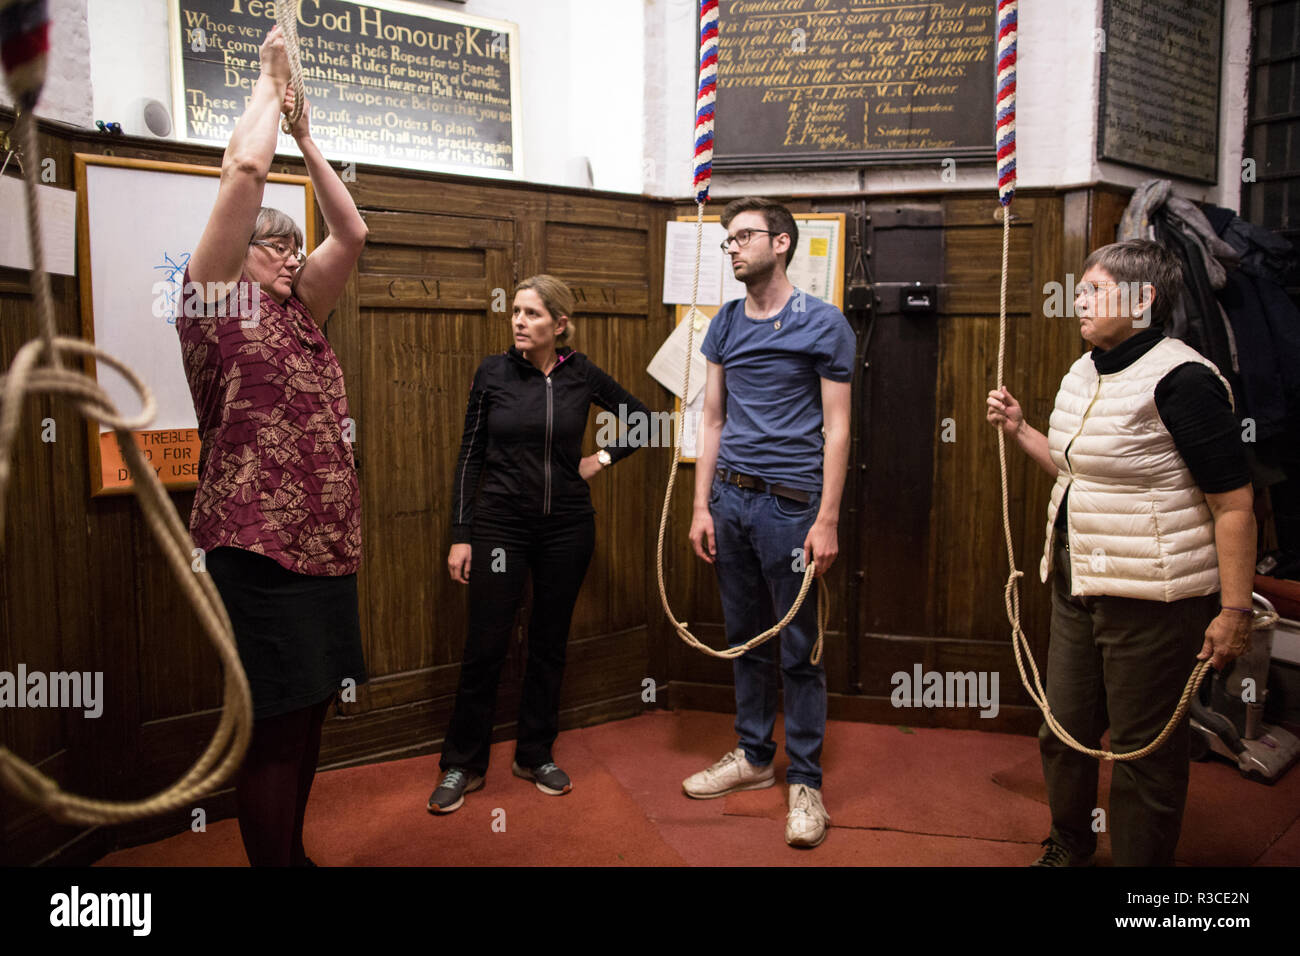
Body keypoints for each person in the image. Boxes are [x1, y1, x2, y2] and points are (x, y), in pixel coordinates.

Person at [986, 239, 1256, 867]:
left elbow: (1235, 504)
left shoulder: (1184, 380)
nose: (1076, 300)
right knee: (1064, 733)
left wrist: (1235, 610)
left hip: (1154, 602)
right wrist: (1023, 429)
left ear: (1143, 298)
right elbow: (1077, 469)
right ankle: (1069, 846)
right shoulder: (1086, 368)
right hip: (1078, 586)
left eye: (1093, 289)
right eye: (1077, 290)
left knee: (1143, 751)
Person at [177, 25, 369, 866]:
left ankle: (291, 853)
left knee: (311, 710)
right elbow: (244, 175)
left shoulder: (302, 310)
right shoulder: (210, 304)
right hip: (254, 550)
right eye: (273, 242)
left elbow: (353, 231)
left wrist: (304, 133)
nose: (290, 254)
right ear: (237, 249)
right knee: (272, 727)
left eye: (295, 244)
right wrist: (267, 81)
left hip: (326, 546)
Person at [427, 275, 651, 813]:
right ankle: (462, 763)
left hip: (567, 528)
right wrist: (463, 536)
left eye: (532, 314)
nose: (520, 321)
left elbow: (645, 420)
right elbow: (470, 457)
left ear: (560, 324)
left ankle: (534, 752)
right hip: (500, 526)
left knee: (549, 643)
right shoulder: (493, 373)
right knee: (486, 645)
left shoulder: (581, 374)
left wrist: (599, 460)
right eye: (517, 313)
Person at [682, 197, 855, 848]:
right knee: (744, 639)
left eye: (744, 237)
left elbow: (838, 428)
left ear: (781, 243)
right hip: (731, 501)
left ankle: (805, 780)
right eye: (728, 240)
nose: (732, 247)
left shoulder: (823, 324)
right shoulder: (724, 323)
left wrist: (828, 519)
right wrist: (702, 505)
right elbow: (713, 419)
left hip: (792, 507)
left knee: (798, 648)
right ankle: (754, 758)